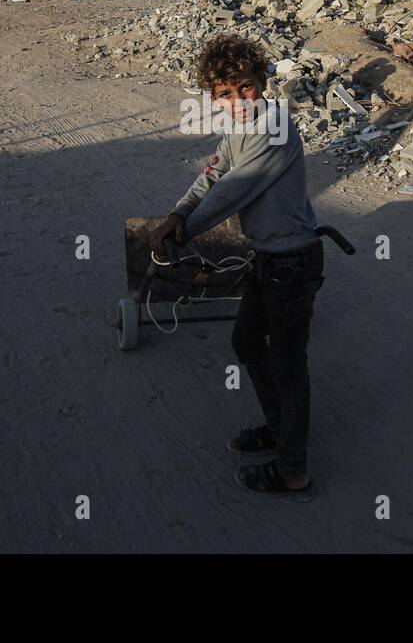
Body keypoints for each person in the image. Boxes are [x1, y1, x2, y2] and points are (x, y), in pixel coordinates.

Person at [149, 35, 323, 500]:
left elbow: (234, 190)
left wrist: (185, 229)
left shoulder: (276, 128)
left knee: (288, 366)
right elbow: (214, 174)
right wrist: (178, 212)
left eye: (245, 87)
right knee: (246, 340)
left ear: (262, 83)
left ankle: (292, 470)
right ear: (212, 97)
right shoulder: (238, 127)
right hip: (267, 257)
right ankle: (278, 427)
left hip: (293, 260)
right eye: (224, 94)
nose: (237, 100)